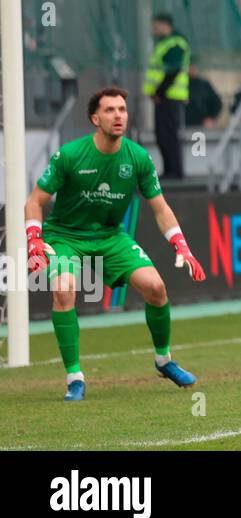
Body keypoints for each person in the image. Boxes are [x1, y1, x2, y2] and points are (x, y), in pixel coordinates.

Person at [23, 86, 206, 400]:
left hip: (110, 237)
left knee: (156, 287)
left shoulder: (138, 157)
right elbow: (34, 201)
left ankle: (164, 361)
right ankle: (75, 379)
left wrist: (181, 244)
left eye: (122, 109)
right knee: (64, 289)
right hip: (65, 236)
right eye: (110, 110)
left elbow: (160, 207)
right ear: (96, 119)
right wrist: (33, 239)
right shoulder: (70, 155)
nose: (118, 115)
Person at [142, 12, 190, 179]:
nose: (154, 30)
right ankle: (170, 170)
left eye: (156, 26)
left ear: (165, 25)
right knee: (162, 135)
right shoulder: (164, 43)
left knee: (168, 135)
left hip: (170, 96)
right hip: (164, 97)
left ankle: (175, 171)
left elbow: (172, 71)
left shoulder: (175, 44)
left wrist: (159, 92)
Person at [184, 61, 222, 129]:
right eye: (189, 68)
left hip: (201, 125)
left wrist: (211, 118)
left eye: (193, 68)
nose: (192, 70)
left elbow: (216, 102)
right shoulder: (182, 83)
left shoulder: (204, 84)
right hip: (184, 124)